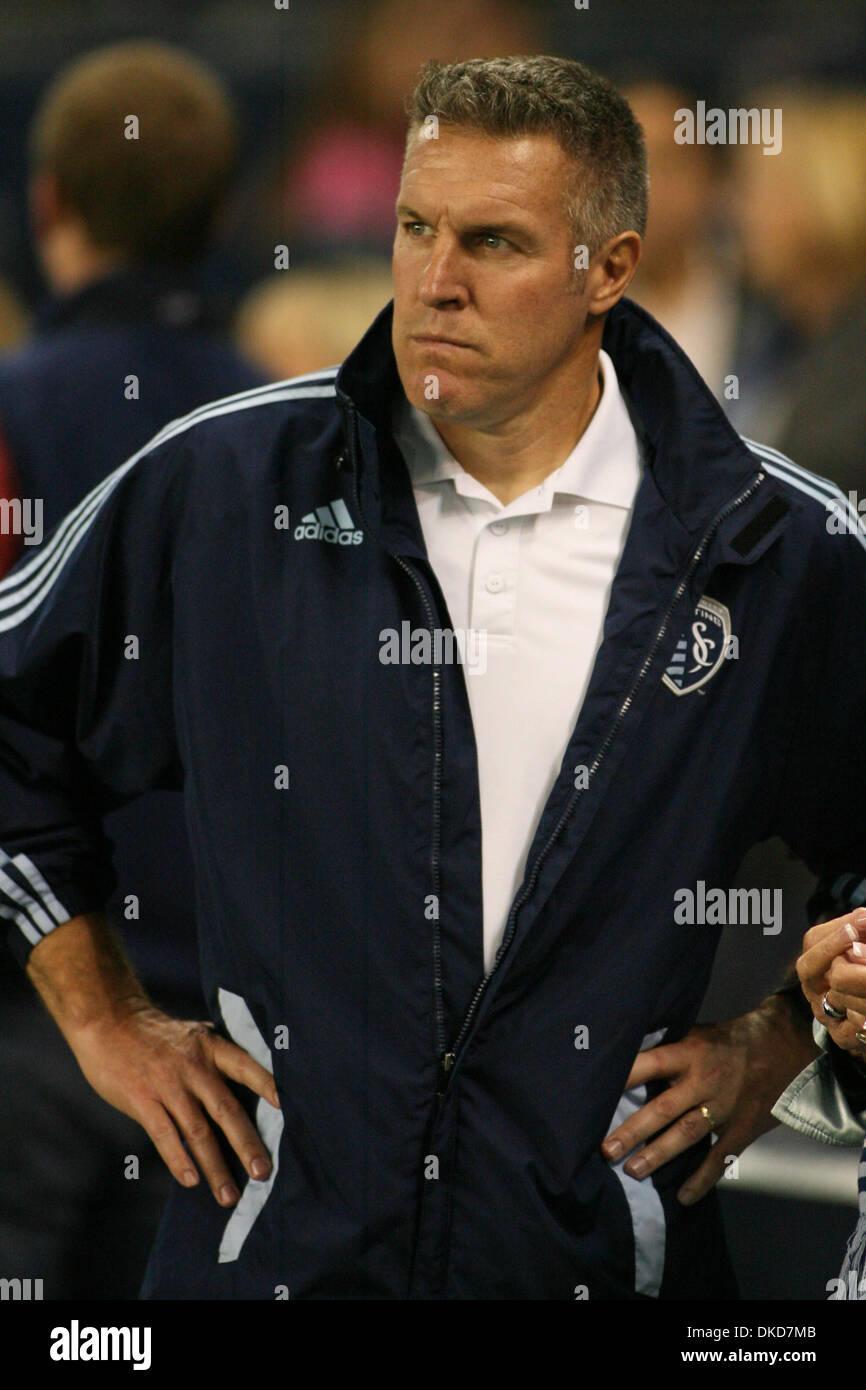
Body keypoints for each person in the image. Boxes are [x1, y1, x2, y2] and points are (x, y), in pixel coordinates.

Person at [1, 54, 863, 1301]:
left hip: (596, 1266)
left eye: (493, 241)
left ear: (607, 269)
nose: (433, 281)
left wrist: (782, 1036)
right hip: (271, 1267)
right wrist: (102, 1019)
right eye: (414, 227)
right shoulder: (229, 487)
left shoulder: (773, 542)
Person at [0, 40, 264, 1298]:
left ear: (47, 200)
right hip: (239, 1068)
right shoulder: (304, 434)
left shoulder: (12, 412)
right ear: (223, 214)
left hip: (34, 1030)